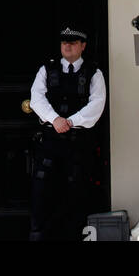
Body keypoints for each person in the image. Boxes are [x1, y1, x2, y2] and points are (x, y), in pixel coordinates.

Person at [28, 25, 106, 242]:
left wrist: (71, 121)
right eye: (64, 43)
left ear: (83, 46)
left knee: (75, 193)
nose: (67, 46)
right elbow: (37, 98)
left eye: (72, 43)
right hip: (50, 143)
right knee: (43, 194)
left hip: (77, 144)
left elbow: (97, 104)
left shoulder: (93, 72)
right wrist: (55, 120)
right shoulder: (47, 69)